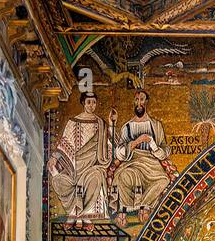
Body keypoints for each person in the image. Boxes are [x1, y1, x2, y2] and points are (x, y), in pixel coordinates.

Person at [112, 91, 177, 222]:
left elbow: (165, 150)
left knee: (163, 180)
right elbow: (118, 152)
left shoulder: (156, 125)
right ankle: (125, 209)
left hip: (151, 164)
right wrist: (136, 142)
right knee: (124, 176)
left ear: (146, 102)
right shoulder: (127, 127)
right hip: (132, 161)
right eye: (136, 100)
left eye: (142, 99)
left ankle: (144, 206)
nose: (139, 103)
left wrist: (153, 144)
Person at [49, 92, 114, 218]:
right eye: (89, 102)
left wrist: (111, 124)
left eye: (94, 102)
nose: (91, 105)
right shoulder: (73, 122)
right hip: (76, 164)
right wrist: (54, 157)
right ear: (83, 103)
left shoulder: (101, 123)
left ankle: (88, 214)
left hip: (95, 164)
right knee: (64, 180)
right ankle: (76, 212)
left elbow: (108, 144)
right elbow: (64, 142)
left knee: (97, 175)